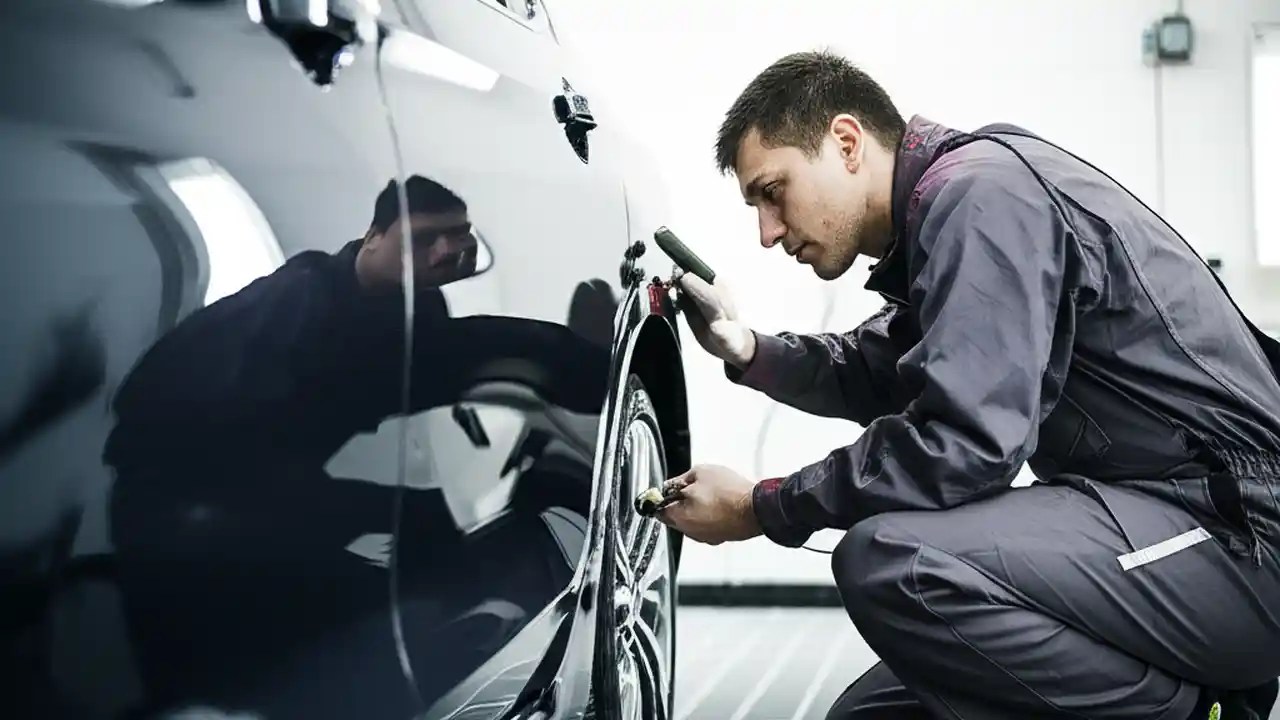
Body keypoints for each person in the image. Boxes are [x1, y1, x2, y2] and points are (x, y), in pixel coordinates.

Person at [656, 49, 1280, 719]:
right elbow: (876, 368)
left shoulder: (981, 196)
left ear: (845, 142)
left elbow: (964, 444)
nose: (767, 233)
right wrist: (746, 348)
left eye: (772, 193)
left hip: (1238, 534)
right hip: (1152, 520)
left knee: (893, 562)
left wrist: (762, 506)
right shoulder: (960, 202)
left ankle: (1196, 710)